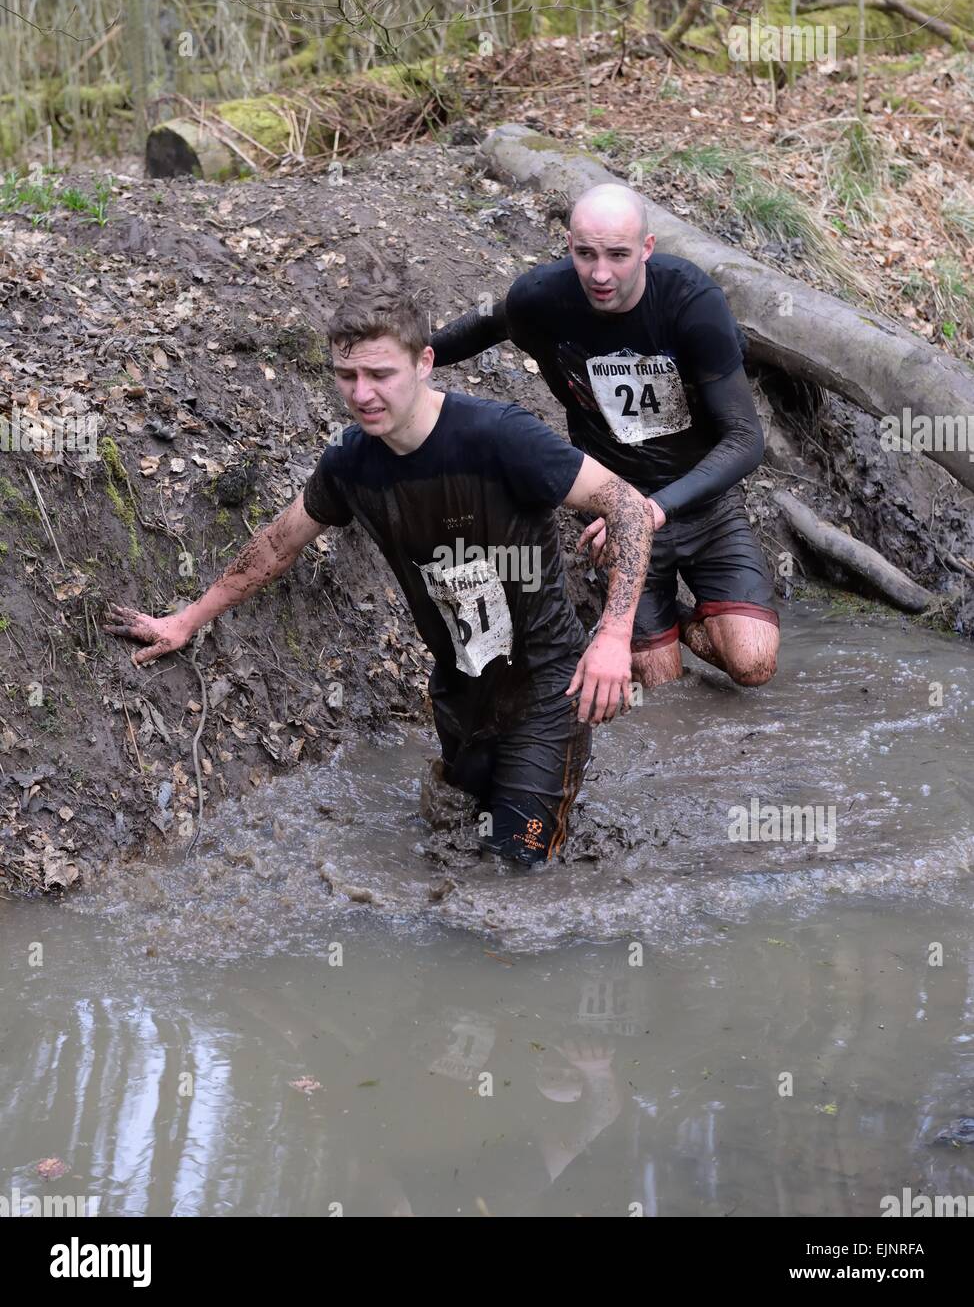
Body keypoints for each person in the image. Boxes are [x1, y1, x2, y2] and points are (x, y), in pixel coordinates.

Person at [104, 276, 654, 868]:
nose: (362, 393)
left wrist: (615, 637)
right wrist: (185, 621)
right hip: (462, 692)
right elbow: (276, 546)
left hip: (548, 688)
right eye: (347, 376)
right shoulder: (351, 463)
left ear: (424, 363)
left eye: (380, 375)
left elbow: (628, 507)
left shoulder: (500, 437)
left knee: (511, 873)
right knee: (447, 846)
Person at [430, 182, 779, 691]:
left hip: (704, 504)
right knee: (658, 692)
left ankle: (687, 621)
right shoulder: (543, 299)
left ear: (646, 249)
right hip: (614, 508)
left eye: (618, 255)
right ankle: (651, 623)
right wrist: (403, 363)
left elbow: (746, 438)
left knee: (752, 664)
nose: (599, 273)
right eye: (585, 254)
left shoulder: (691, 301)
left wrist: (658, 508)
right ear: (568, 244)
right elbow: (480, 329)